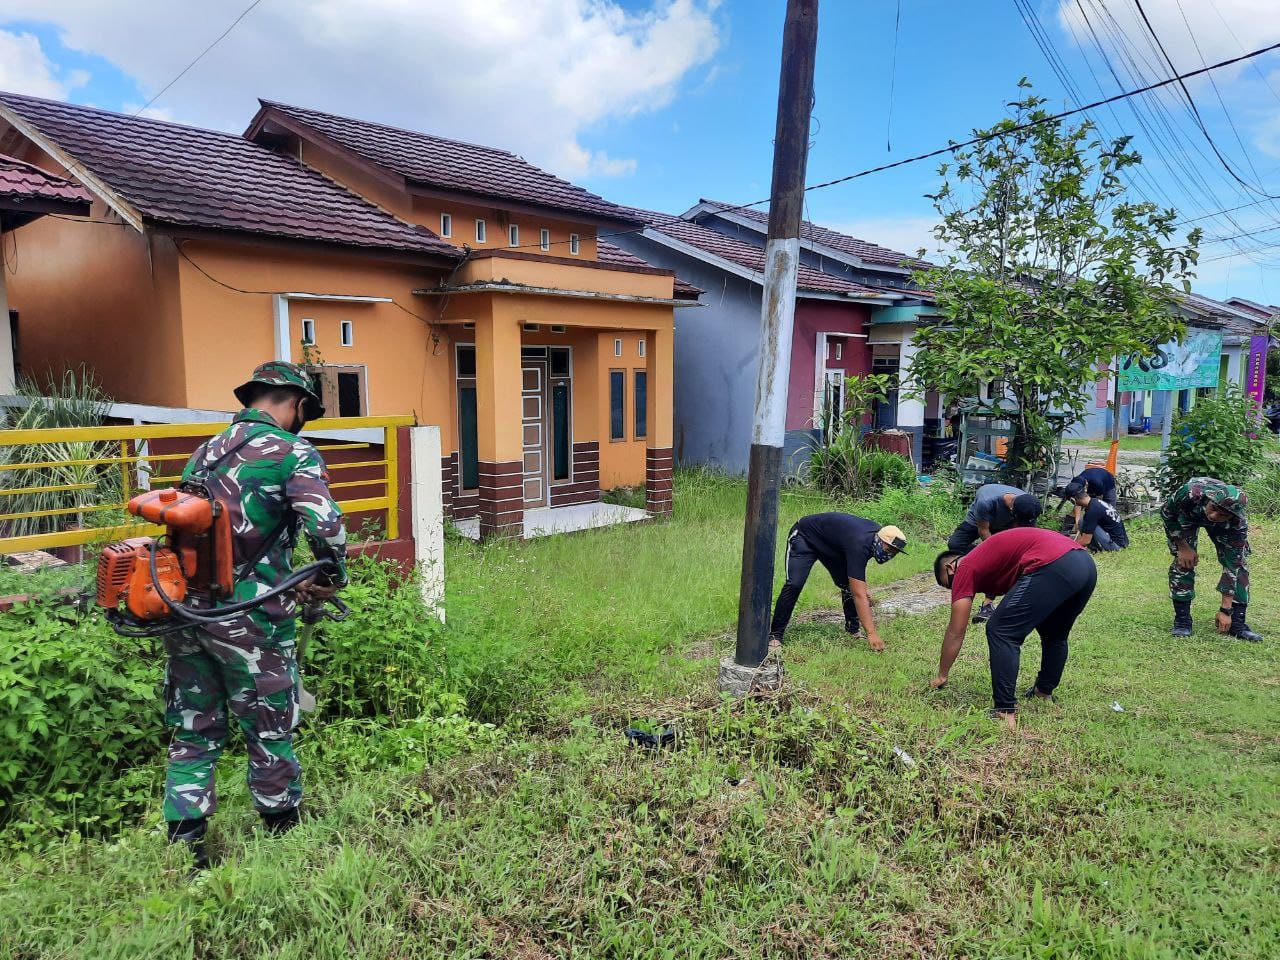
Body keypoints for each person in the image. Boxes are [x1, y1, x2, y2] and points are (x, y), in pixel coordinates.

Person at [164, 361, 349, 869]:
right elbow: (327, 529)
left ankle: (185, 850)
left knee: (194, 730)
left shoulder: (204, 453)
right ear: (297, 403)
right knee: (268, 727)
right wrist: (331, 576)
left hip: (185, 613)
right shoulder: (292, 452)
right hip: (252, 619)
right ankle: (283, 837)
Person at [930, 528, 1096, 732]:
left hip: (1054, 563)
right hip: (1084, 564)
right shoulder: (986, 560)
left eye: (949, 584)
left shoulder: (965, 566)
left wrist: (942, 674)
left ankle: (1004, 709)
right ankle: (1043, 691)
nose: (954, 589)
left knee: (1001, 630)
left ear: (950, 567)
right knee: (1054, 632)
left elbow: (956, 631)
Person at [768, 514, 908, 652]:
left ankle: (852, 630)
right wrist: (871, 633)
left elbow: (856, 576)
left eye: (894, 553)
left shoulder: (873, 540)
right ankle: (775, 635)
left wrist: (862, 590)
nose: (889, 555)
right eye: (888, 550)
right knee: (794, 584)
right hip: (805, 536)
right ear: (879, 539)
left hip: (832, 546)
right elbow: (859, 594)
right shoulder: (860, 543)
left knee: (848, 585)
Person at [1161, 477, 1261, 641]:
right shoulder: (1191, 492)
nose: (1214, 515)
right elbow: (1167, 513)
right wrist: (1182, 546)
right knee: (1184, 563)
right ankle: (1182, 621)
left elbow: (1232, 566)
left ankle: (1237, 623)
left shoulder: (1238, 524)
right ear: (1211, 499)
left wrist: (1226, 610)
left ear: (1232, 516)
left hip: (1223, 527)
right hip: (1188, 515)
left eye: (1222, 514)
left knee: (1240, 566)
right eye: (1214, 508)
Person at [946, 484, 1044, 622]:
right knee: (955, 544)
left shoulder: (1027, 505)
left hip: (1005, 525)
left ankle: (987, 605)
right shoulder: (986, 502)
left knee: (1001, 563)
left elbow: (1026, 533)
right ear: (1012, 510)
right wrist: (993, 554)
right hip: (979, 522)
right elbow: (983, 530)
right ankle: (976, 566)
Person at [1067, 484, 1129, 552]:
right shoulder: (1096, 502)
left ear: (1073, 500)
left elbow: (1085, 541)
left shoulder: (1092, 511)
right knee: (1082, 521)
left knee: (1085, 522)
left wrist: (1070, 548)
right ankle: (1094, 548)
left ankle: (1096, 549)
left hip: (1116, 546)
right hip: (1122, 541)